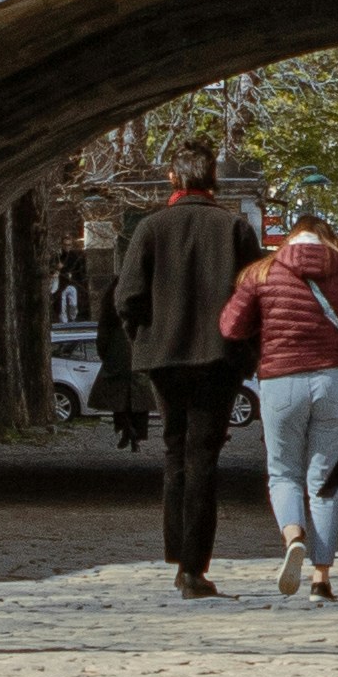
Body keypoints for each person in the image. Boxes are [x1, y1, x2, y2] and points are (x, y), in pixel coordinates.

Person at [114, 147, 260, 599]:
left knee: (174, 451)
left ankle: (179, 555)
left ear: (174, 177)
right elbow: (256, 293)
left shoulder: (152, 227)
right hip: (218, 358)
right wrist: (245, 353)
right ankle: (194, 567)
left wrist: (144, 336)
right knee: (204, 460)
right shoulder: (234, 228)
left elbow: (128, 295)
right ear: (212, 178)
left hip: (164, 357)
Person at [218, 214, 338, 602]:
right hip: (331, 382)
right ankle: (321, 579)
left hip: (280, 381)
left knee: (284, 472)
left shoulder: (261, 272)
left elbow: (231, 327)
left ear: (290, 238)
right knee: (326, 482)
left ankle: (293, 536)